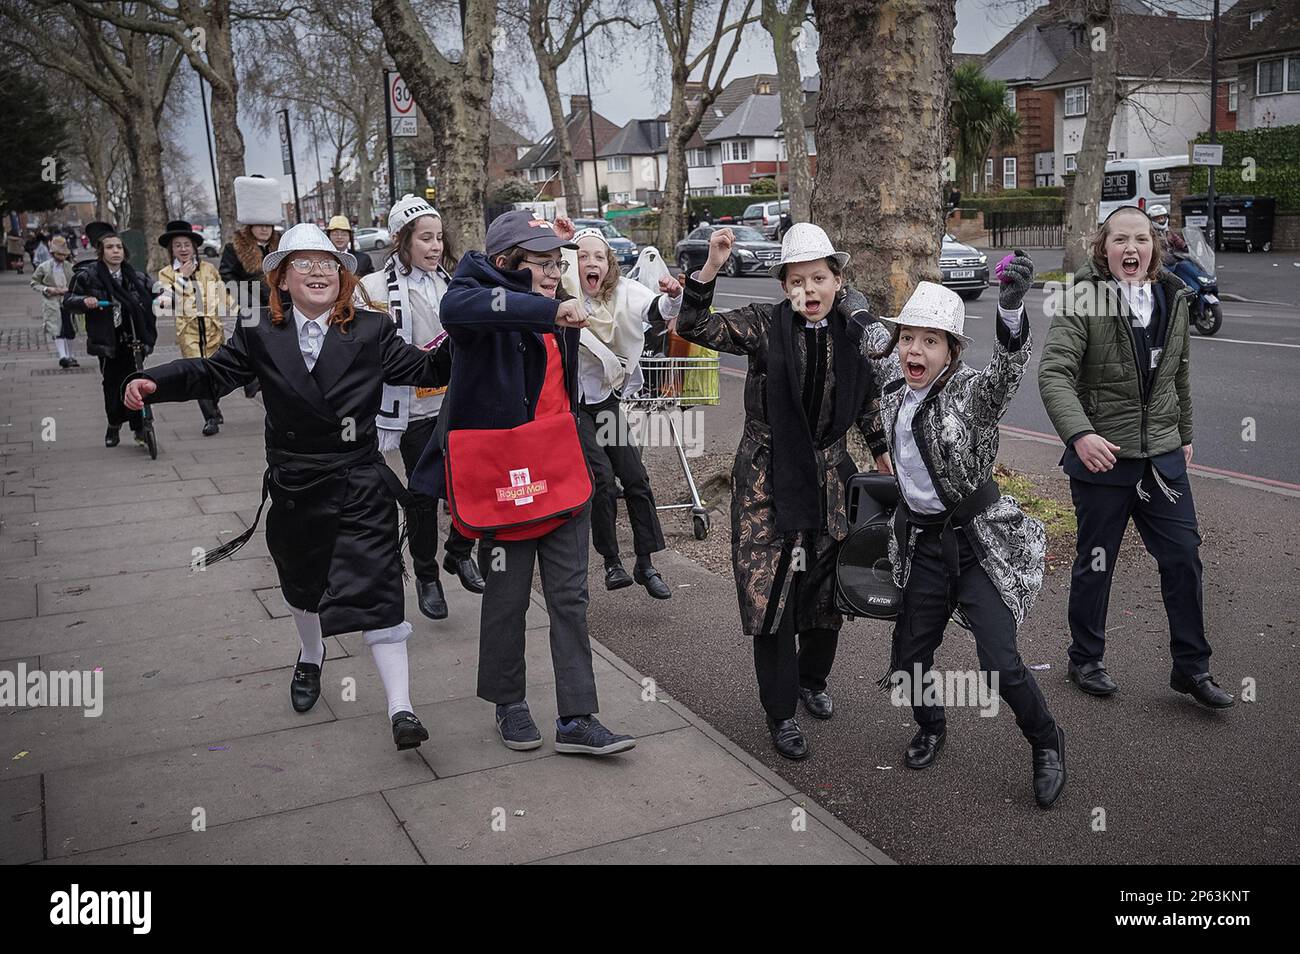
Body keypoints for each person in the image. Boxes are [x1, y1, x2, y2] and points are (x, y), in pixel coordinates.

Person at [124, 224, 452, 751]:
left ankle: (402, 708)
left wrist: (478, 326)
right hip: (296, 485)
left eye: (328, 263)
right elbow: (213, 374)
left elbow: (428, 367)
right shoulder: (259, 331)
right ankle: (310, 656)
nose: (318, 271)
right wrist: (154, 382)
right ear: (280, 277)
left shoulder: (371, 330)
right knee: (302, 585)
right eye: (303, 263)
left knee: (381, 587)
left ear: (343, 277)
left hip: (360, 483)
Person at [408, 210, 636, 757]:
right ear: (507, 265)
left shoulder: (557, 306)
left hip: (562, 468)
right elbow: (461, 308)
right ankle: (509, 704)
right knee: (507, 599)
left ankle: (577, 718)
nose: (555, 274)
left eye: (557, 264)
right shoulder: (474, 294)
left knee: (570, 598)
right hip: (508, 475)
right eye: (541, 264)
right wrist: (549, 307)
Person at [671, 224, 889, 761]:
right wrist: (711, 267)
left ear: (838, 280)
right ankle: (780, 712)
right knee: (770, 592)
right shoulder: (765, 325)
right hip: (767, 475)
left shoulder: (855, 331)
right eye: (797, 281)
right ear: (784, 286)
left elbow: (864, 398)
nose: (809, 290)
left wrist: (881, 450)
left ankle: (812, 681)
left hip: (831, 476)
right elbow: (694, 324)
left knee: (824, 590)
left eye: (819, 278)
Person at [860, 260, 1067, 809]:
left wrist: (1010, 307)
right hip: (923, 545)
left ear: (951, 351)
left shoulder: (971, 395)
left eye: (930, 341)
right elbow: (865, 328)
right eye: (908, 338)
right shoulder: (892, 385)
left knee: (998, 663)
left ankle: (1046, 742)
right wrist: (836, 287)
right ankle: (931, 724)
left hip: (978, 545)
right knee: (908, 657)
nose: (914, 351)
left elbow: (1008, 370)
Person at [1039, 206, 1233, 710]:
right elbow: (1055, 373)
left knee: (1183, 557)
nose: (1131, 248)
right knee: (1096, 563)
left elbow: (1179, 375)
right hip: (1105, 458)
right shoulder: (1084, 297)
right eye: (1120, 239)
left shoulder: (1174, 296)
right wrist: (1080, 435)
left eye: (1141, 239)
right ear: (1104, 247)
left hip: (1163, 457)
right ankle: (1085, 659)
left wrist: (1183, 434)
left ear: (1154, 247)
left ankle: (1192, 668)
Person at [357, 194, 482, 622]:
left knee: (470, 484)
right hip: (409, 409)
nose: (434, 246)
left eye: (439, 237)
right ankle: (427, 575)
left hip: (454, 403)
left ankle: (460, 552)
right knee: (423, 495)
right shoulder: (372, 289)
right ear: (401, 240)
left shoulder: (455, 285)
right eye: (425, 238)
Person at [562, 222, 682, 598]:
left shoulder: (624, 293)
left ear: (610, 264)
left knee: (635, 476)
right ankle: (611, 561)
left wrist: (674, 294)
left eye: (599, 256)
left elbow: (656, 309)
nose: (592, 262)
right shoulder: (560, 298)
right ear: (571, 264)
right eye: (583, 257)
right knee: (600, 480)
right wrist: (559, 237)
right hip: (573, 406)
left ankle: (645, 562)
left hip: (607, 401)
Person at [63, 221, 158, 448]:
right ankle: (114, 424)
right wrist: (85, 301)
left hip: (134, 338)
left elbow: (155, 291)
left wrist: (164, 296)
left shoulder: (135, 276)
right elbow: (69, 301)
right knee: (113, 384)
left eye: (119, 247)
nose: (115, 251)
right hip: (107, 341)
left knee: (137, 382)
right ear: (101, 252)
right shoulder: (88, 276)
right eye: (110, 247)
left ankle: (140, 428)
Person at [157, 219, 232, 436]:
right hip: (187, 330)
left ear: (194, 247)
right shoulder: (167, 274)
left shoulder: (208, 269)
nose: (182, 249)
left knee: (216, 373)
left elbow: (223, 294)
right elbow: (165, 301)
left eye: (186, 245)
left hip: (212, 328)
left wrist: (239, 308)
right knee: (198, 374)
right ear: (171, 249)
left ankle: (214, 403)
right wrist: (182, 278)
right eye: (177, 245)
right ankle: (209, 417)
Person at [220, 175, 283, 400]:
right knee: (256, 350)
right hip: (253, 307)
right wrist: (248, 303)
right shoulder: (234, 247)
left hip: (282, 306)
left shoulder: (282, 244)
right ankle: (256, 381)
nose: (265, 229)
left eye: (268, 225)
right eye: (260, 225)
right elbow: (227, 276)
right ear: (251, 225)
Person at [31, 235, 80, 368]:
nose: (62, 257)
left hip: (67, 301)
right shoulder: (44, 267)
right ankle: (63, 356)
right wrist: (47, 288)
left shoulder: (70, 267)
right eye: (59, 254)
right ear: (53, 253)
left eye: (64, 254)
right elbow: (34, 283)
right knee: (57, 329)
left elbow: (76, 282)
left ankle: (71, 356)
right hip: (52, 303)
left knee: (70, 329)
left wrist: (69, 290)